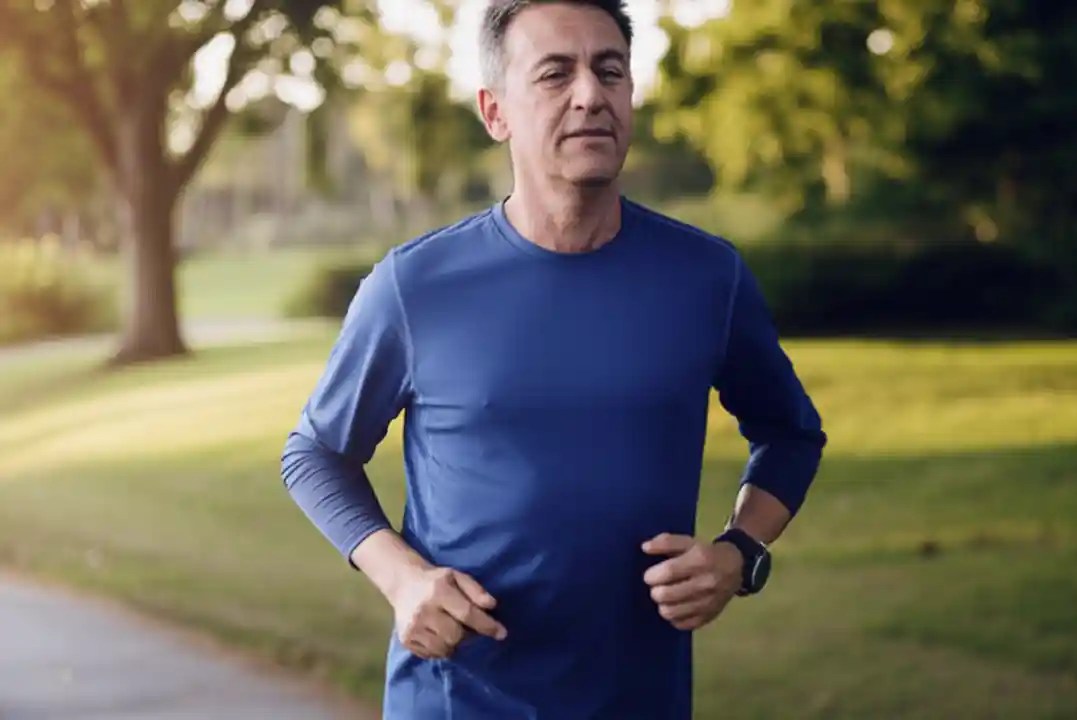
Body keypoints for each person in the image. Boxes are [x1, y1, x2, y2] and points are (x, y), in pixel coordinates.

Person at [280, 0, 826, 716]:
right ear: (495, 110)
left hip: (640, 700)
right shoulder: (415, 286)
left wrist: (737, 554)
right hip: (455, 700)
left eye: (610, 71)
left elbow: (790, 433)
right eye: (554, 73)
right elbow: (315, 454)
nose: (590, 95)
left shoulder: (706, 278)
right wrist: (403, 579)